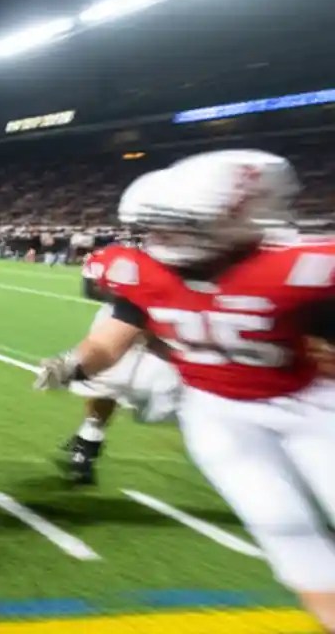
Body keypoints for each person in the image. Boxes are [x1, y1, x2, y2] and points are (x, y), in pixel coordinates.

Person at [35, 150, 335, 632]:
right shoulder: (143, 271)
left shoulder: (301, 269)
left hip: (308, 403)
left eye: (178, 226)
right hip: (218, 414)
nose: (159, 240)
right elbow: (109, 341)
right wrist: (71, 364)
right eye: (153, 227)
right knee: (286, 530)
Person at [60, 171, 182, 485]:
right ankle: (86, 443)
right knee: (107, 380)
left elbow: (90, 285)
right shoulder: (126, 253)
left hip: (166, 317)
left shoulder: (125, 253)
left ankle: (86, 444)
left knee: (178, 392)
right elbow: (92, 285)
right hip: (141, 315)